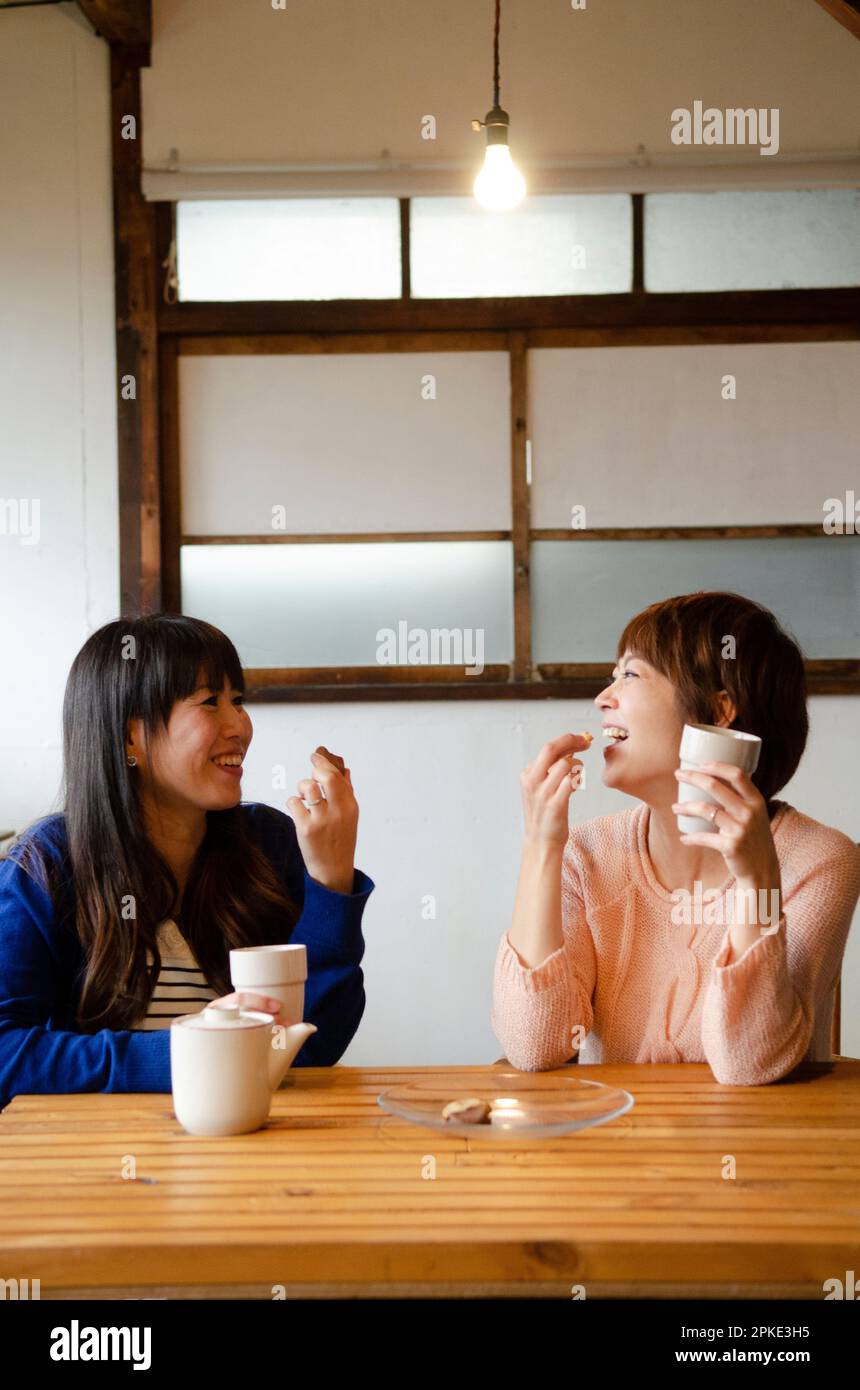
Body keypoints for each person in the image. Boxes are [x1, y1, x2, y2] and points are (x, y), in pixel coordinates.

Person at [0, 614, 373, 1111]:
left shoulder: (269, 844)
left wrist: (331, 881)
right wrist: (188, 1049)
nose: (239, 726)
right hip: (92, 1165)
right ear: (131, 738)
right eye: (210, 703)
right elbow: (8, 1055)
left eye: (238, 700)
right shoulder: (46, 864)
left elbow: (312, 1049)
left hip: (250, 1153)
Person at [492, 592, 860, 1085]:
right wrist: (540, 845)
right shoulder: (585, 853)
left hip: (764, 1153)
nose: (603, 697)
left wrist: (758, 884)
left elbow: (749, 1064)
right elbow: (536, 1046)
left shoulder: (821, 860)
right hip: (613, 1150)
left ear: (718, 710)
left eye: (630, 674)